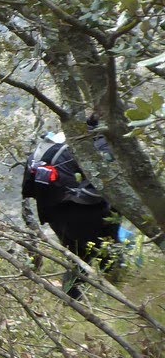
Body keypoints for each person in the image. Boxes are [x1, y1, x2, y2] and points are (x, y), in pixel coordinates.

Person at [22, 121, 121, 299]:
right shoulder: (98, 143)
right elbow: (113, 180)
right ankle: (123, 295)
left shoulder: (59, 141)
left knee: (79, 256)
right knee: (108, 252)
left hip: (52, 211)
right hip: (81, 210)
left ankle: (71, 297)